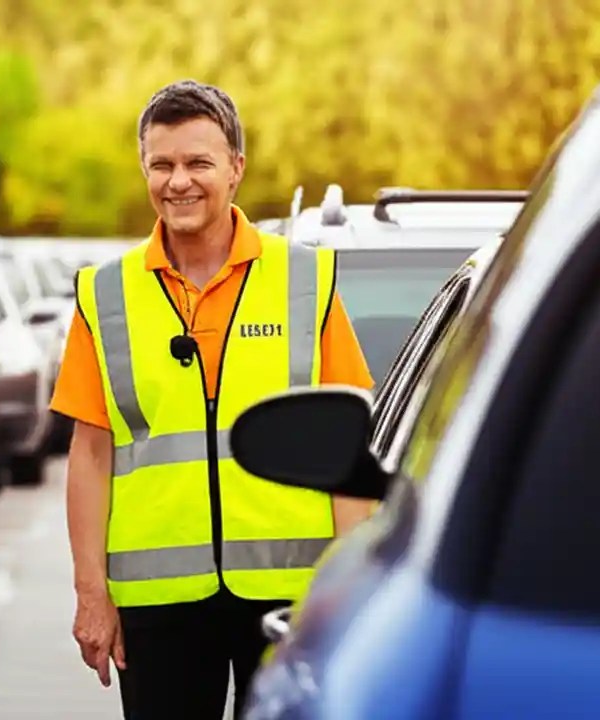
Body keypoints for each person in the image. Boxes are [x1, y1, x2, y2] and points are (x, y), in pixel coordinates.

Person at [50, 79, 376, 719]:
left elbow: (346, 448)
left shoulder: (304, 279)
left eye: (198, 163)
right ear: (143, 168)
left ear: (236, 168)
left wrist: (351, 591)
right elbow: (90, 454)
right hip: (156, 603)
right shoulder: (104, 295)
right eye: (161, 165)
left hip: (291, 599)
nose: (179, 182)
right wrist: (92, 592)